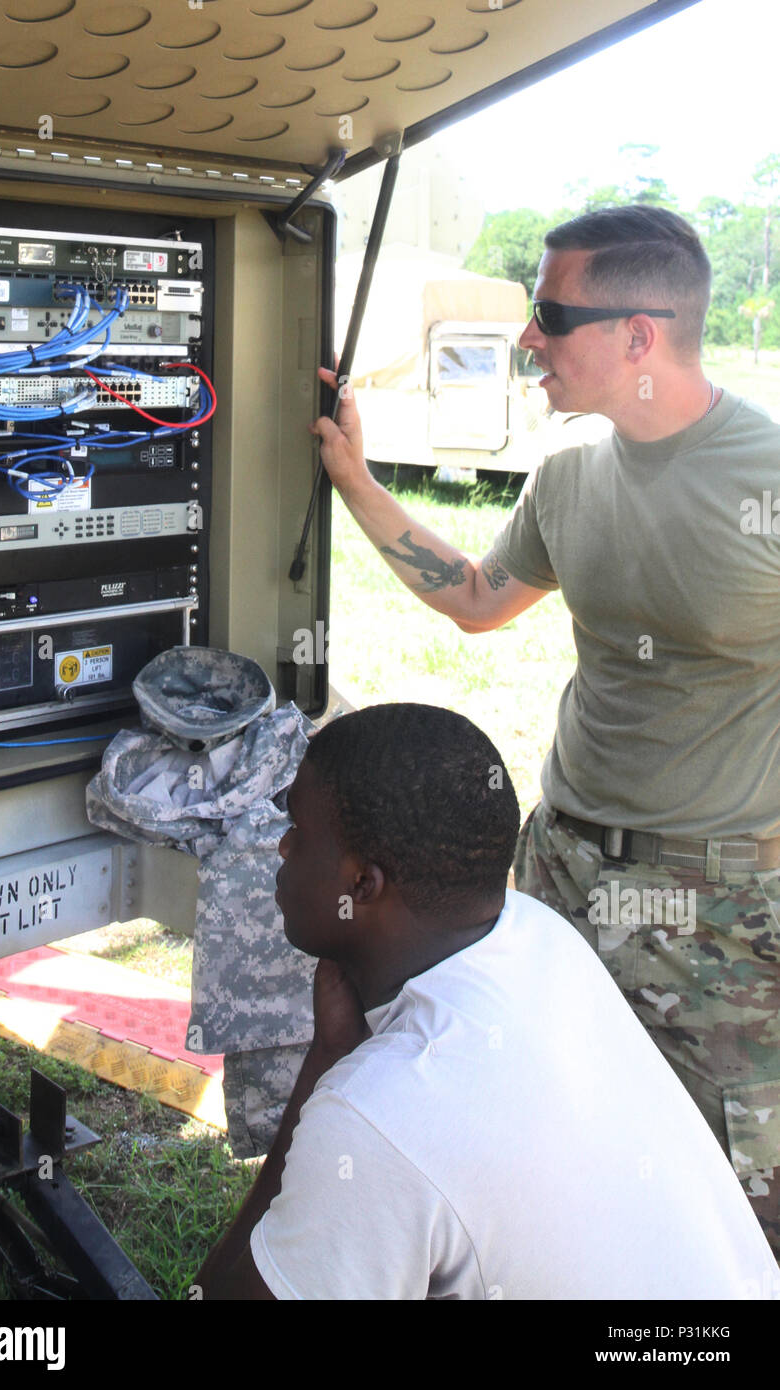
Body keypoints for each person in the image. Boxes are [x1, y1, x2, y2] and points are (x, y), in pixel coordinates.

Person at [307, 206, 780, 1260]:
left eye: (550, 315)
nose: (527, 338)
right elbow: (477, 598)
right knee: (560, 1140)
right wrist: (359, 485)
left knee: (737, 1190)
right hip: (561, 869)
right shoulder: (571, 476)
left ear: (638, 335)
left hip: (720, 907)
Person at [194, 703, 777, 1300]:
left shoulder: (378, 1115)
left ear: (362, 885)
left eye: (299, 832)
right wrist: (331, 1053)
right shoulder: (541, 935)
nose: (284, 847)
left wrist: (330, 1076)